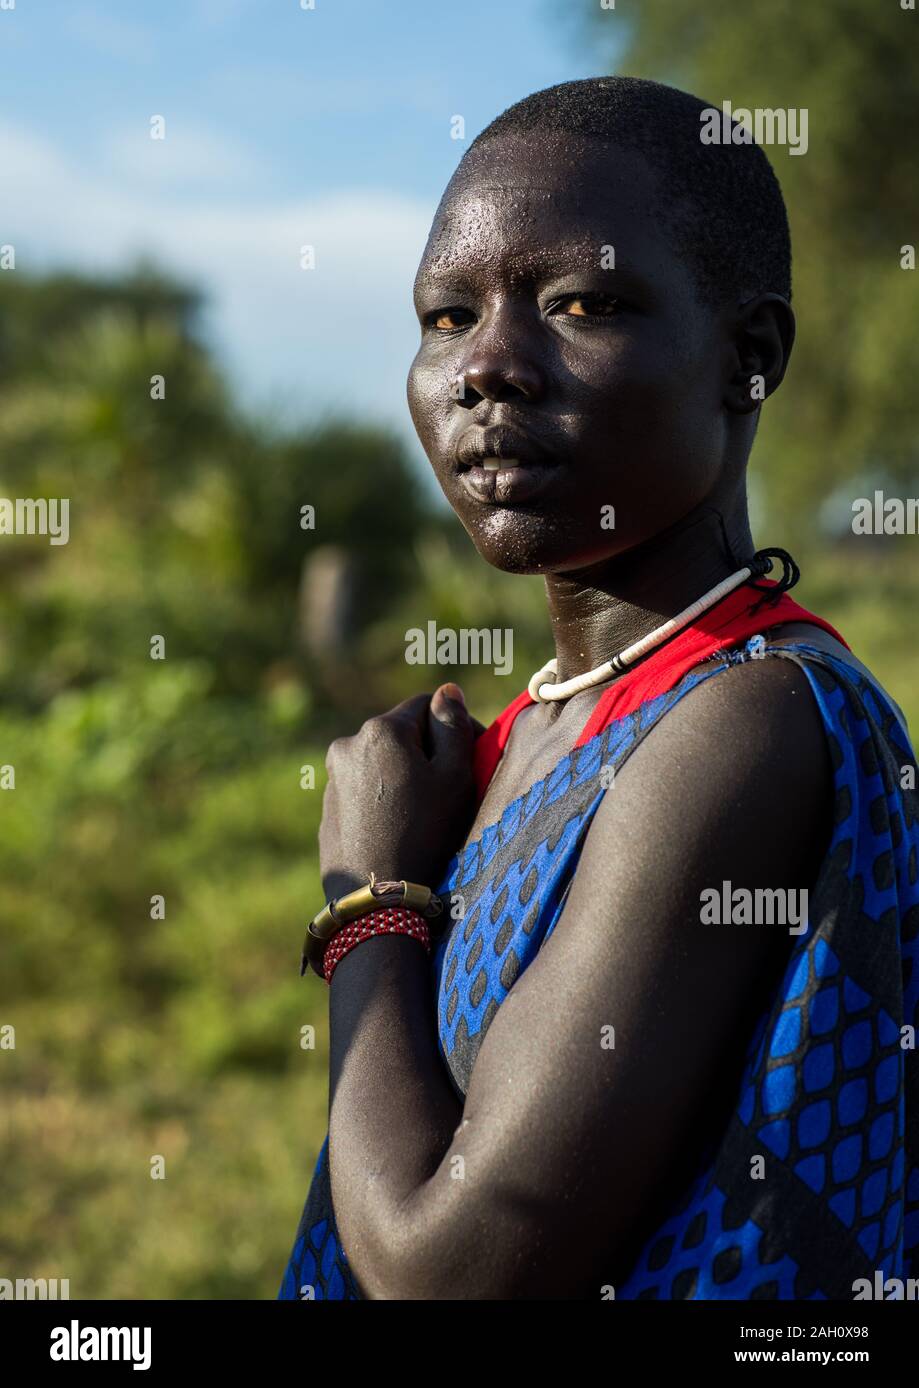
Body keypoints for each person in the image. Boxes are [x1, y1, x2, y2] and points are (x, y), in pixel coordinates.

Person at [278, 76, 919, 1300]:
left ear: (749, 356)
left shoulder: (745, 721)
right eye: (446, 317)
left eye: (581, 303)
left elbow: (448, 1268)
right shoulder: (533, 733)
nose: (487, 368)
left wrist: (368, 903)